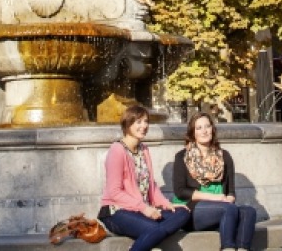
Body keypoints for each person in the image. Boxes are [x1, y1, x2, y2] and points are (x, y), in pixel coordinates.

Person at [98, 105, 191, 251]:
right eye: (139, 122)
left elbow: (151, 185)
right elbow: (114, 192)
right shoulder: (117, 150)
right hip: (116, 212)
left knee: (183, 213)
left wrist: (168, 205)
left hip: (141, 211)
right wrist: (145, 208)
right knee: (155, 229)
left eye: (146, 121)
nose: (144, 126)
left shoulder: (144, 149)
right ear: (128, 124)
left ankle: (147, 238)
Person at [171, 112, 257, 251]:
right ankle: (227, 248)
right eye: (199, 128)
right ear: (193, 133)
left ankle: (242, 249)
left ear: (212, 129)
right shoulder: (182, 156)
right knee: (227, 208)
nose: (204, 131)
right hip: (192, 210)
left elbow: (231, 191)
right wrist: (215, 198)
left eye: (207, 126)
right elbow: (180, 191)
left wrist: (229, 198)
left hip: (222, 208)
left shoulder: (224, 156)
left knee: (249, 212)